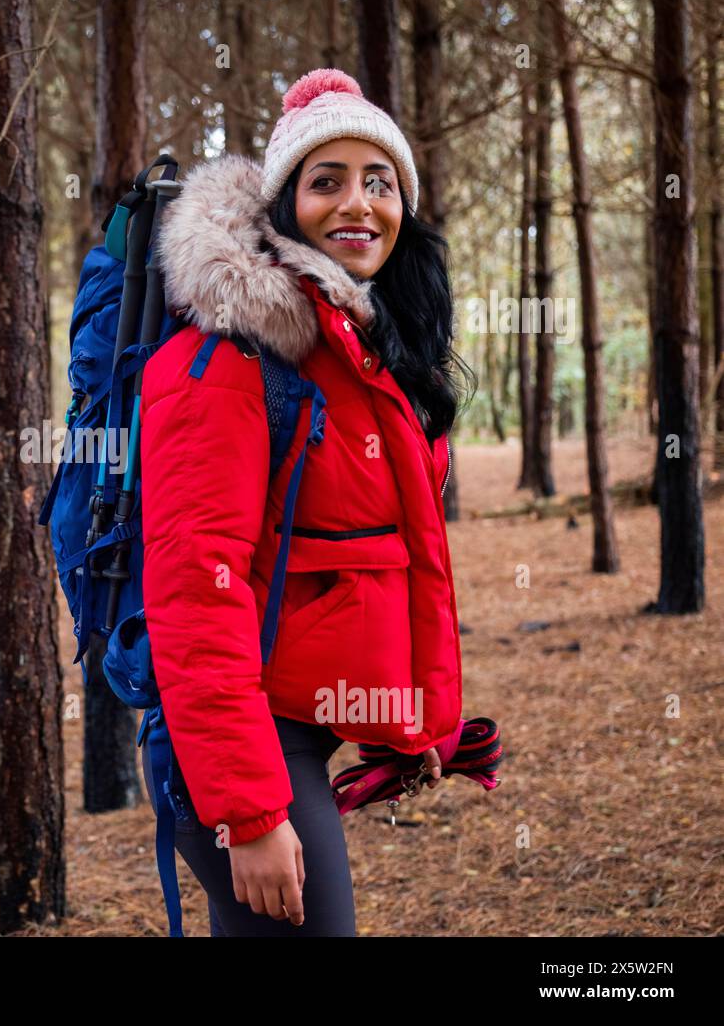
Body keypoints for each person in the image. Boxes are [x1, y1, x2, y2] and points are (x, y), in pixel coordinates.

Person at [138, 68, 476, 937]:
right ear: (286, 204)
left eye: (380, 181)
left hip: (298, 729)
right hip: (228, 753)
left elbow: (405, 557)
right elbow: (195, 590)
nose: (358, 203)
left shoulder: (370, 354)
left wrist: (415, 717)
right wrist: (249, 814)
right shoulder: (225, 361)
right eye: (327, 181)